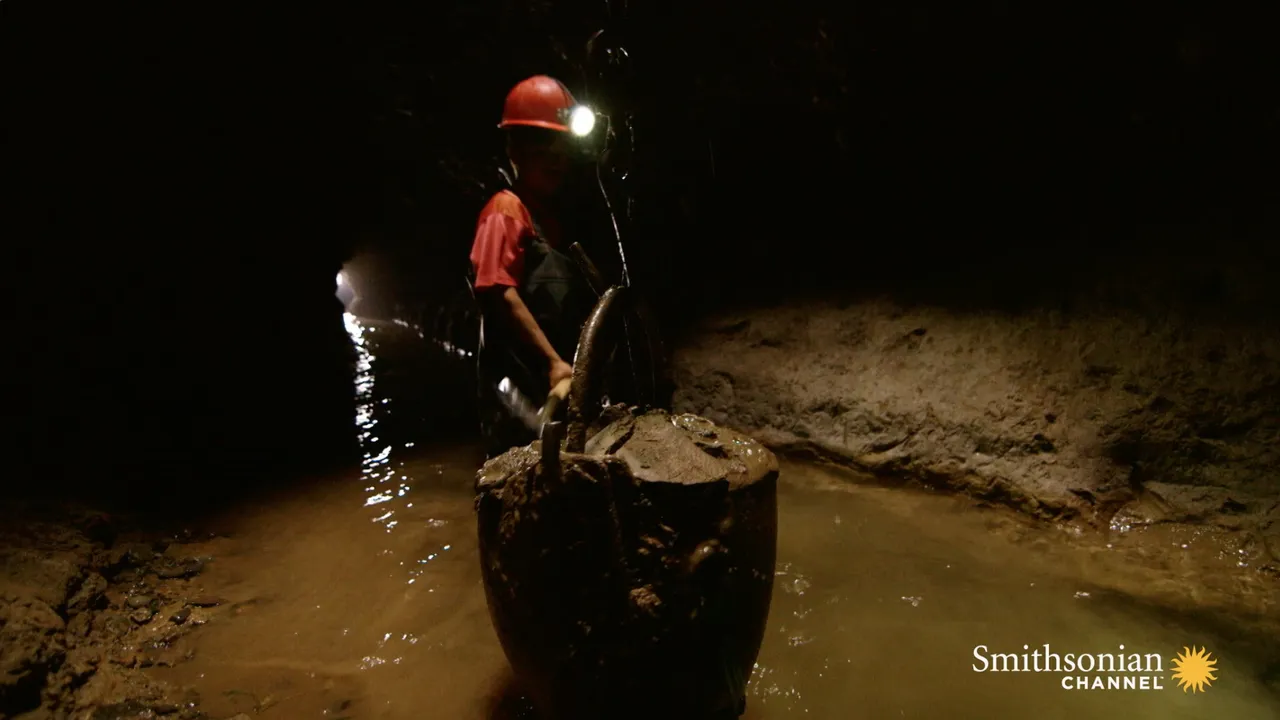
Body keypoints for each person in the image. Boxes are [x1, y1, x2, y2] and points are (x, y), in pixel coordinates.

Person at [470, 75, 596, 458]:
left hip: (549, 391)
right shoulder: (505, 211)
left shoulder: (548, 221)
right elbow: (497, 290)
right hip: (518, 396)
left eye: (561, 149)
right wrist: (554, 364)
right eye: (543, 149)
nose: (555, 160)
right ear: (516, 150)